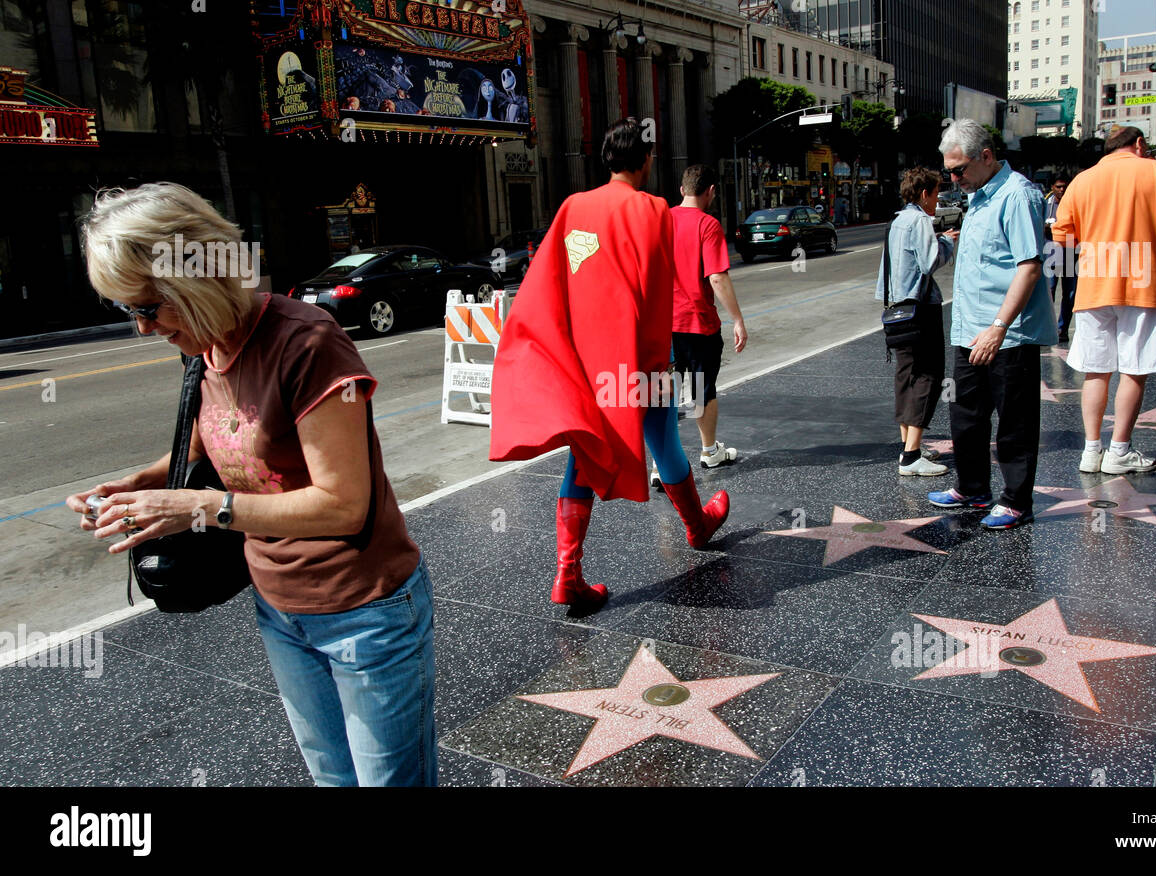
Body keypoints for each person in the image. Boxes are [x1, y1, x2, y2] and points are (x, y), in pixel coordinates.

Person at [67, 183, 436, 786]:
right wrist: (138, 485)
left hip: (366, 611)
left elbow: (344, 504)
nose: (141, 329)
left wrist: (201, 508)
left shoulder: (307, 342)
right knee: (332, 779)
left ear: (195, 281)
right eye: (127, 311)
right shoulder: (204, 350)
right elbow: (206, 443)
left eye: (147, 308)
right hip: (279, 606)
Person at [488, 119, 729, 609]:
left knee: (585, 449)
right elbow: (657, 291)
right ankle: (696, 526)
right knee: (662, 435)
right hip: (640, 360)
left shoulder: (573, 207)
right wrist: (658, 363)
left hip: (589, 363)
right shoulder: (654, 210)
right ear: (645, 160)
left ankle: (567, 573)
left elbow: (548, 285)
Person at [926, 119, 1057, 530]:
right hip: (970, 329)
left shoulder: (1017, 195)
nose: (952, 178)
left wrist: (1000, 326)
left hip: (1007, 334)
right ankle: (973, 486)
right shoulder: (979, 195)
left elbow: (1029, 267)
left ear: (986, 157)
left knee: (1015, 420)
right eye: (948, 170)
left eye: (959, 169)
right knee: (966, 414)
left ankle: (1017, 500)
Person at [1050, 126, 1156, 475]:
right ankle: (1119, 451)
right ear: (1139, 144)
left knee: (1096, 371)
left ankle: (1090, 451)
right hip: (1142, 281)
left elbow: (1064, 240)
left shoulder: (1083, 180)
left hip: (1094, 282)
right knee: (1134, 368)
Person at [876, 166, 958, 477]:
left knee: (906, 375)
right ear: (924, 194)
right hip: (921, 309)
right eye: (936, 194)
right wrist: (947, 244)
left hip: (897, 309)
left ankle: (907, 447)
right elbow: (929, 262)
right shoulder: (921, 220)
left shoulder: (897, 220)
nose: (938, 200)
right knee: (928, 375)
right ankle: (911, 457)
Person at [666, 163, 748, 474]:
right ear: (711, 192)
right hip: (698, 325)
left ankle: (664, 462)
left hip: (665, 327)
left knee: (665, 393)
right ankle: (709, 451)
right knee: (702, 391)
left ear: (682, 189)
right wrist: (738, 319)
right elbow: (716, 277)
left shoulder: (662, 220)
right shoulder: (708, 225)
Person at [1043, 174, 1078, 343]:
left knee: (1070, 294)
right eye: (1058, 187)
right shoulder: (1046, 204)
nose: (1062, 190)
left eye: (1064, 186)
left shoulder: (1073, 203)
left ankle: (1062, 329)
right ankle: (1048, 328)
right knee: (1049, 292)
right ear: (1052, 188)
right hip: (1051, 254)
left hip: (1070, 254)